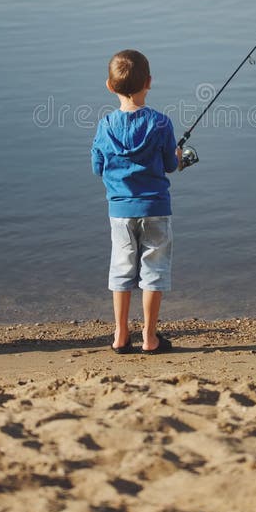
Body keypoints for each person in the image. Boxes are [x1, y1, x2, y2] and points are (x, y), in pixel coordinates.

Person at [92, 49, 182, 355]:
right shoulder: (161, 123)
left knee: (121, 270)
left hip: (119, 211)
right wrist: (179, 157)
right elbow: (171, 164)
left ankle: (120, 335)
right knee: (153, 271)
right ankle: (149, 337)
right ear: (149, 82)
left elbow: (97, 167)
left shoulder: (105, 126)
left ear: (109, 85)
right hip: (156, 208)